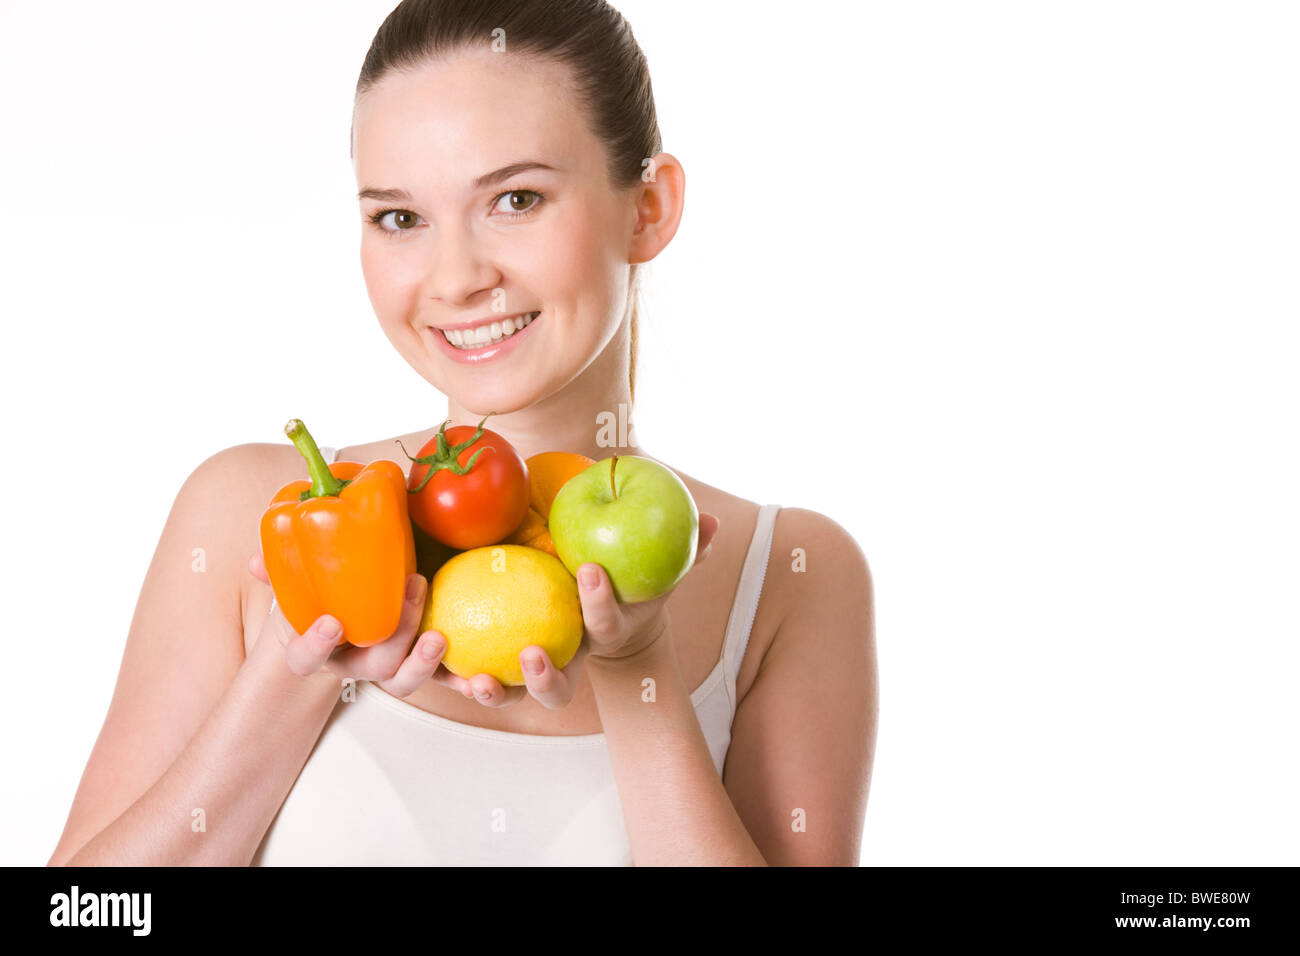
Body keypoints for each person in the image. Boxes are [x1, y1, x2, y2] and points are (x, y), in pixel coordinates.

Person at [47, 0, 876, 867]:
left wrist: (639, 666)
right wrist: (293, 678)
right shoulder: (256, 516)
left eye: (515, 199)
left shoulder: (787, 575)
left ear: (650, 207)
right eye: (399, 218)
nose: (456, 278)